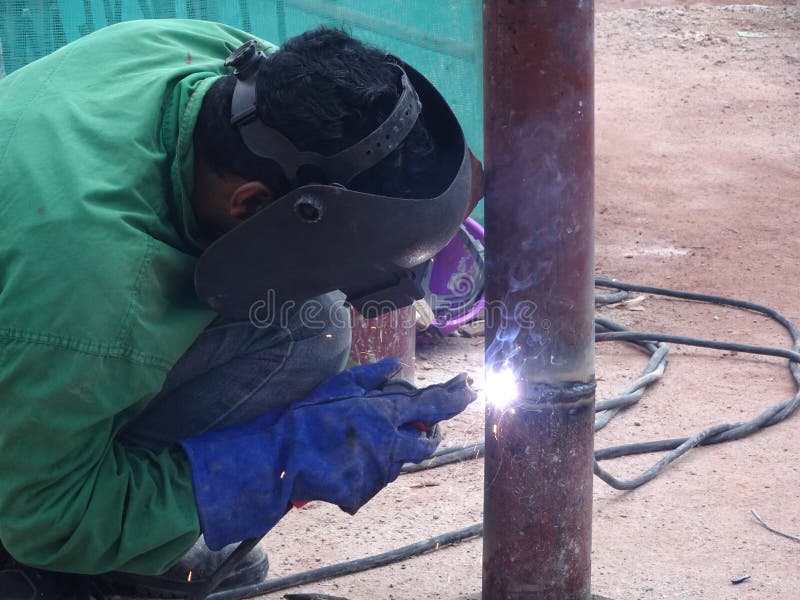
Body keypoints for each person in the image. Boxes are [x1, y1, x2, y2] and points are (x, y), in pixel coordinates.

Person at [0, 18, 482, 600]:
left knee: (308, 325)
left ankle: (121, 522)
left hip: (37, 307)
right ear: (250, 204)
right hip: (44, 318)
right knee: (47, 528)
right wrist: (274, 456)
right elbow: (46, 516)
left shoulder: (223, 68)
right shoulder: (92, 296)